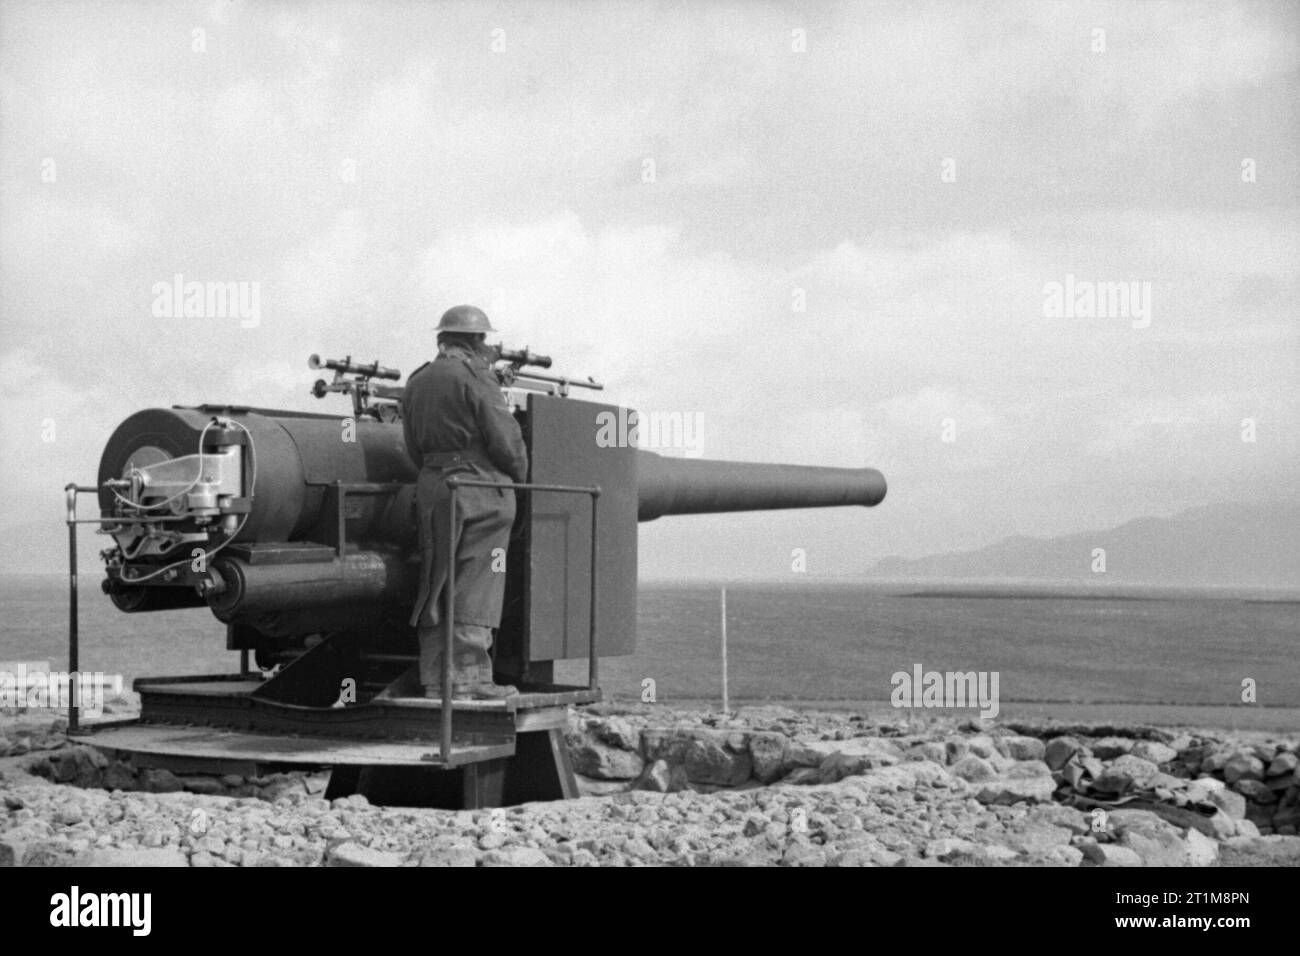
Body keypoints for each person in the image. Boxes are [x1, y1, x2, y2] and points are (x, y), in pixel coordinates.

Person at [402, 305, 528, 699]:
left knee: (437, 583)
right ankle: (471, 680)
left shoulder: (418, 381)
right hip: (479, 490)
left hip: (435, 486)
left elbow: (411, 445)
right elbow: (508, 443)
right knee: (476, 584)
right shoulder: (477, 378)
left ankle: (437, 680)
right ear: (475, 342)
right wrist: (518, 485)